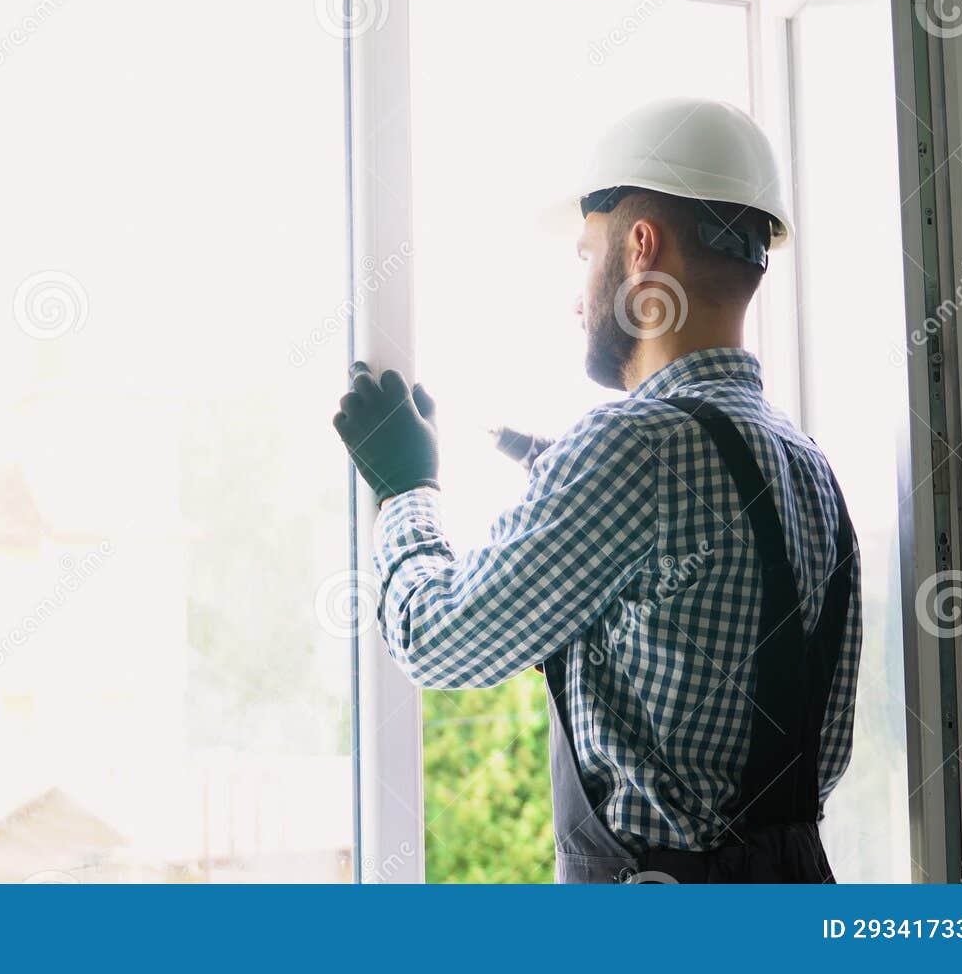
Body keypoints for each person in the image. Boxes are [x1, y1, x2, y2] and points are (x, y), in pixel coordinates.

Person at [331, 97, 861, 884]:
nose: (577, 296)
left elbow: (437, 638)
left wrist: (408, 488)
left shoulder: (632, 446)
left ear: (641, 247)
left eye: (586, 254)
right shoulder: (807, 465)